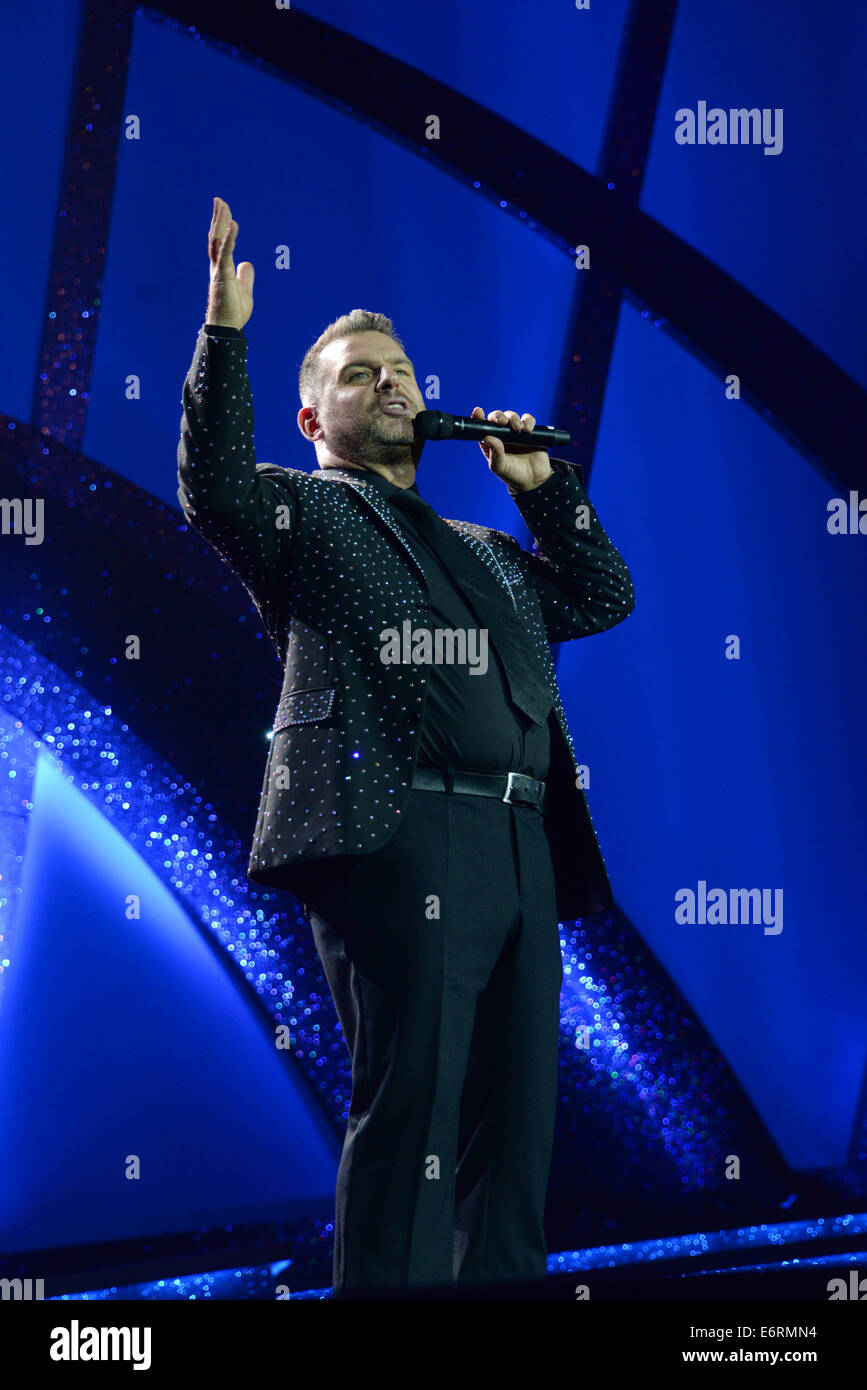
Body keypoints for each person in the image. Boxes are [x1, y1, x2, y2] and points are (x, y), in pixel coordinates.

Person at [177, 196, 635, 1295]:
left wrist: (543, 491)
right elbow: (213, 487)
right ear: (312, 419)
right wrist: (223, 335)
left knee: (515, 1131)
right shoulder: (306, 512)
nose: (390, 383)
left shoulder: (485, 547)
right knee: (415, 1107)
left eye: (399, 370)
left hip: (520, 840)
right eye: (356, 373)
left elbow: (604, 595)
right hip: (398, 832)